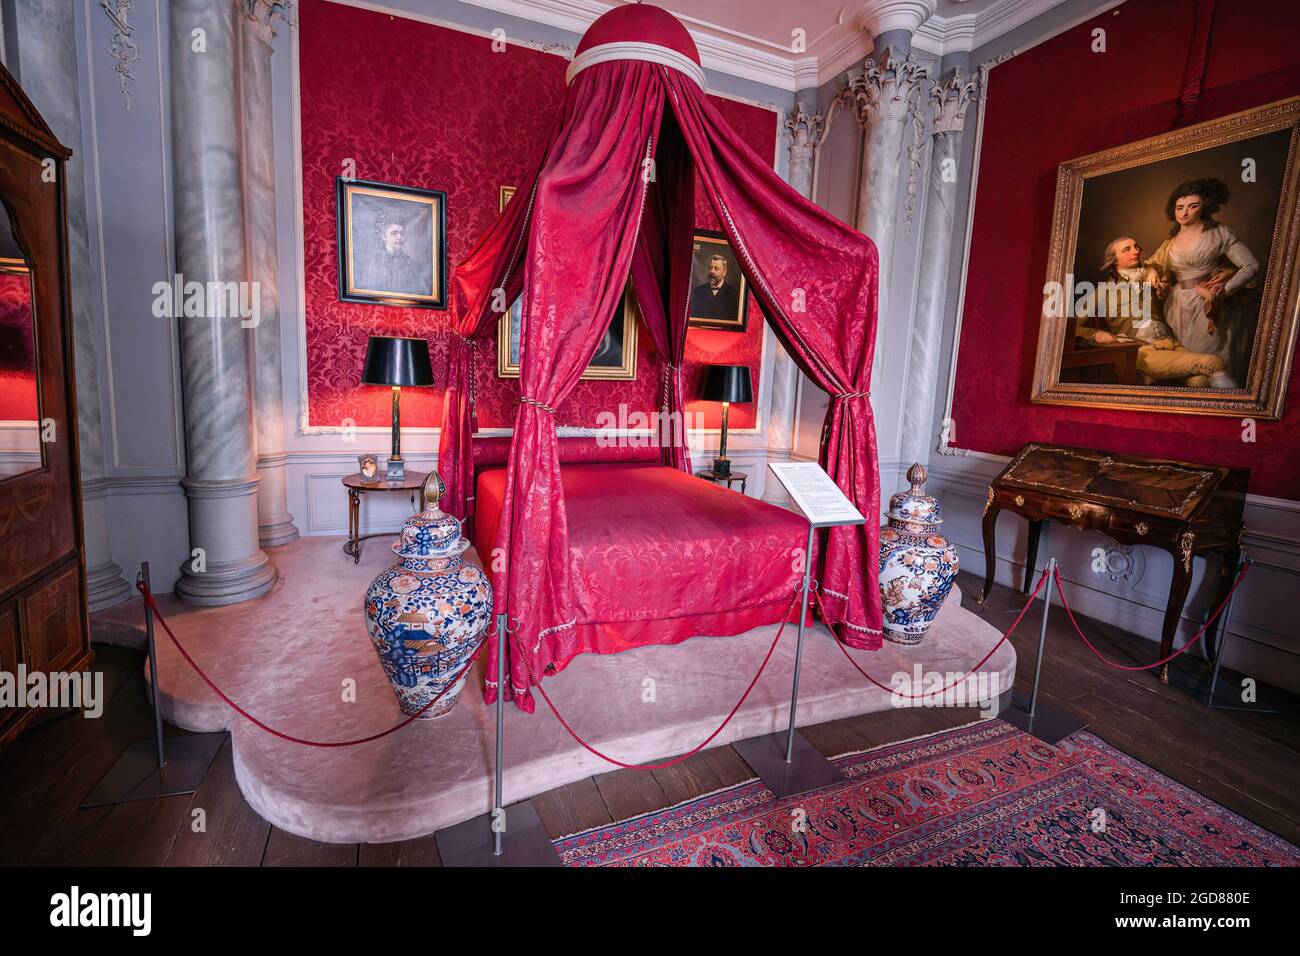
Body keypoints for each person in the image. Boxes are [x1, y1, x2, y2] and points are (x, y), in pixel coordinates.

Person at [1144, 178, 1259, 386]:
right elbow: (1153, 263)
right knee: (1186, 365)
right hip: (1176, 307)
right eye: (1180, 207)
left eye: (1192, 206)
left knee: (1212, 363)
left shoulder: (1218, 233)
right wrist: (1151, 271)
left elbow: (1251, 266)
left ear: (1204, 207)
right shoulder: (1170, 242)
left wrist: (1223, 291)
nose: (1184, 212)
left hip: (1207, 308)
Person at [1075, 235, 1229, 387]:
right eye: (1127, 250)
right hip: (1142, 351)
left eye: (1136, 247)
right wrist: (1094, 334)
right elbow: (1070, 327)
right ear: (1114, 260)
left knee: (1199, 382)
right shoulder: (1103, 291)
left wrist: (1150, 270)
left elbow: (1167, 262)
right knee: (1213, 362)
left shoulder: (1151, 276)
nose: (1135, 252)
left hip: (1170, 343)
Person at [356, 212, 428, 296]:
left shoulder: (413, 265)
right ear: (384, 236)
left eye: (402, 233)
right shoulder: (372, 265)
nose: (400, 237)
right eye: (394, 233)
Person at [690, 254, 740, 322]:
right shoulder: (697, 292)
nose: (712, 271)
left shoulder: (734, 295)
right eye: (711, 268)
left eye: (716, 269)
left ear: (724, 272)